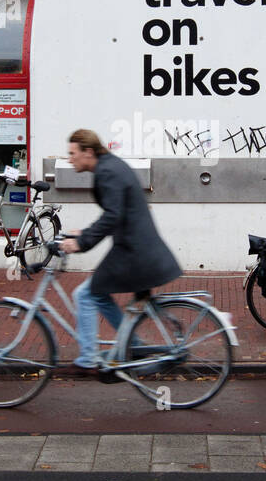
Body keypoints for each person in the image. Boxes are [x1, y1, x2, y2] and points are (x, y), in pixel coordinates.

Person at [60, 129, 182, 371]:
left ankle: (87, 360)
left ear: (88, 152)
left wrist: (82, 242)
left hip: (133, 251)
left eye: (73, 154)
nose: (69, 159)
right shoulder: (110, 166)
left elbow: (113, 215)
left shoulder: (107, 171)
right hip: (137, 247)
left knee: (85, 295)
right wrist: (83, 233)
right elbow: (117, 213)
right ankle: (131, 344)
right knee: (98, 293)